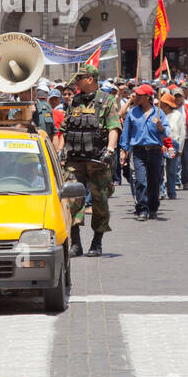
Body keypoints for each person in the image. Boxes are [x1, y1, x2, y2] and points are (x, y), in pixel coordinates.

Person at [56, 65, 120, 253]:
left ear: (90, 79)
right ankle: (75, 242)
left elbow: (113, 127)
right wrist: (60, 151)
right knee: (72, 200)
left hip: (97, 160)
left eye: (80, 78)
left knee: (100, 201)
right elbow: (64, 130)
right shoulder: (74, 101)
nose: (76, 82)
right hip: (75, 160)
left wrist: (110, 150)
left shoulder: (106, 100)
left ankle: (97, 242)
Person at [120, 83, 169, 222]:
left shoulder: (159, 113)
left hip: (155, 150)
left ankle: (153, 207)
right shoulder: (132, 113)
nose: (137, 97)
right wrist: (124, 151)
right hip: (139, 151)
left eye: (140, 95)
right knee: (140, 181)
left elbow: (167, 133)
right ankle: (142, 209)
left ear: (148, 97)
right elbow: (126, 133)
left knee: (154, 181)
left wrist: (161, 128)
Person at [161, 91, 185, 201]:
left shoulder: (177, 115)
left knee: (171, 169)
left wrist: (180, 148)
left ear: (167, 105)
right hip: (161, 142)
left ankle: (171, 191)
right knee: (160, 168)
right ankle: (161, 191)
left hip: (172, 143)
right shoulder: (159, 115)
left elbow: (182, 132)